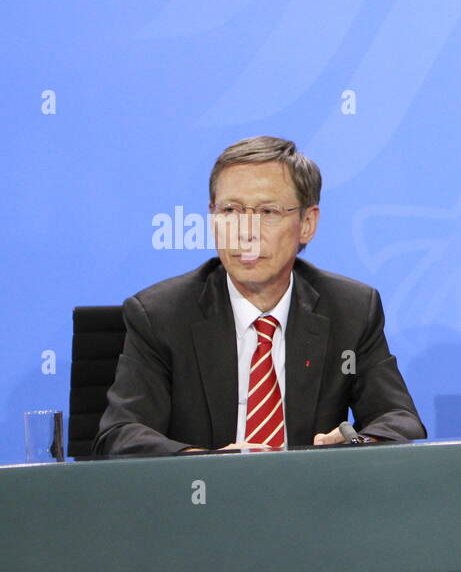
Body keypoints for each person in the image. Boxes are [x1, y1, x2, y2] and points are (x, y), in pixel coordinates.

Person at [93, 136, 425, 455]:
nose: (246, 232)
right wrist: (208, 463)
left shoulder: (351, 310)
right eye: (231, 211)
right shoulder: (160, 315)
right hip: (200, 504)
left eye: (267, 212)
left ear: (307, 223)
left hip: (311, 503)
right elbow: (121, 434)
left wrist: (355, 446)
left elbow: (401, 422)